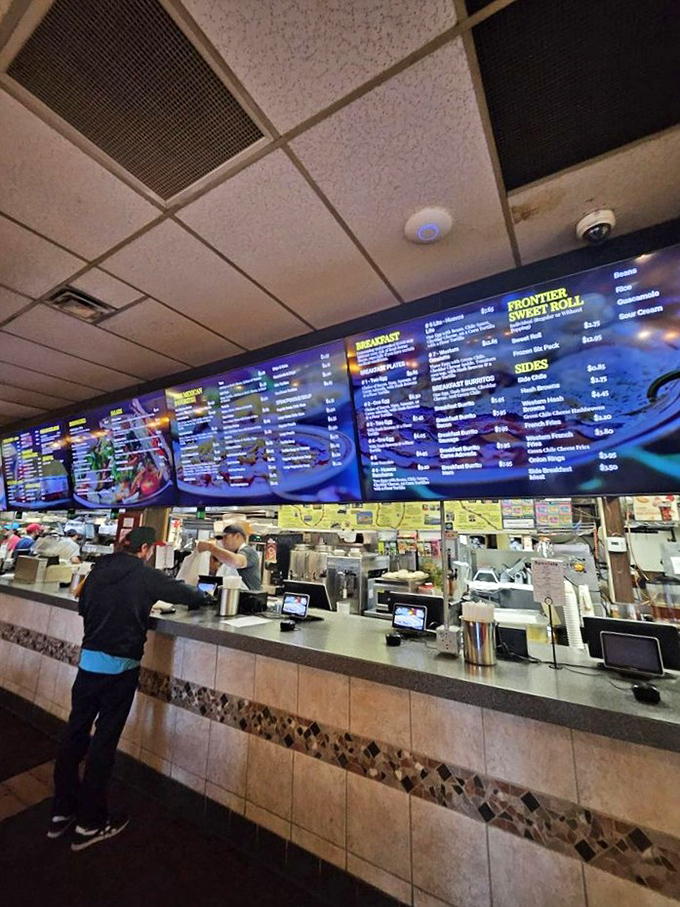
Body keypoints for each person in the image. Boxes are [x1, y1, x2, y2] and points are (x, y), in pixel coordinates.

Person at [49, 526, 211, 851]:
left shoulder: (96, 571)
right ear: (147, 549)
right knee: (103, 745)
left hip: (88, 666)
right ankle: (90, 824)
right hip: (119, 671)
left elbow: (84, 609)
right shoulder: (143, 574)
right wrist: (206, 596)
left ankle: (62, 812)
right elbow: (188, 594)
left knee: (75, 734)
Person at [197, 523, 262, 591]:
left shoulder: (248, 552)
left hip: (250, 599)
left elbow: (236, 562)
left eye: (225, 537)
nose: (222, 541)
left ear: (237, 536)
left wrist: (211, 547)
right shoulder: (232, 554)